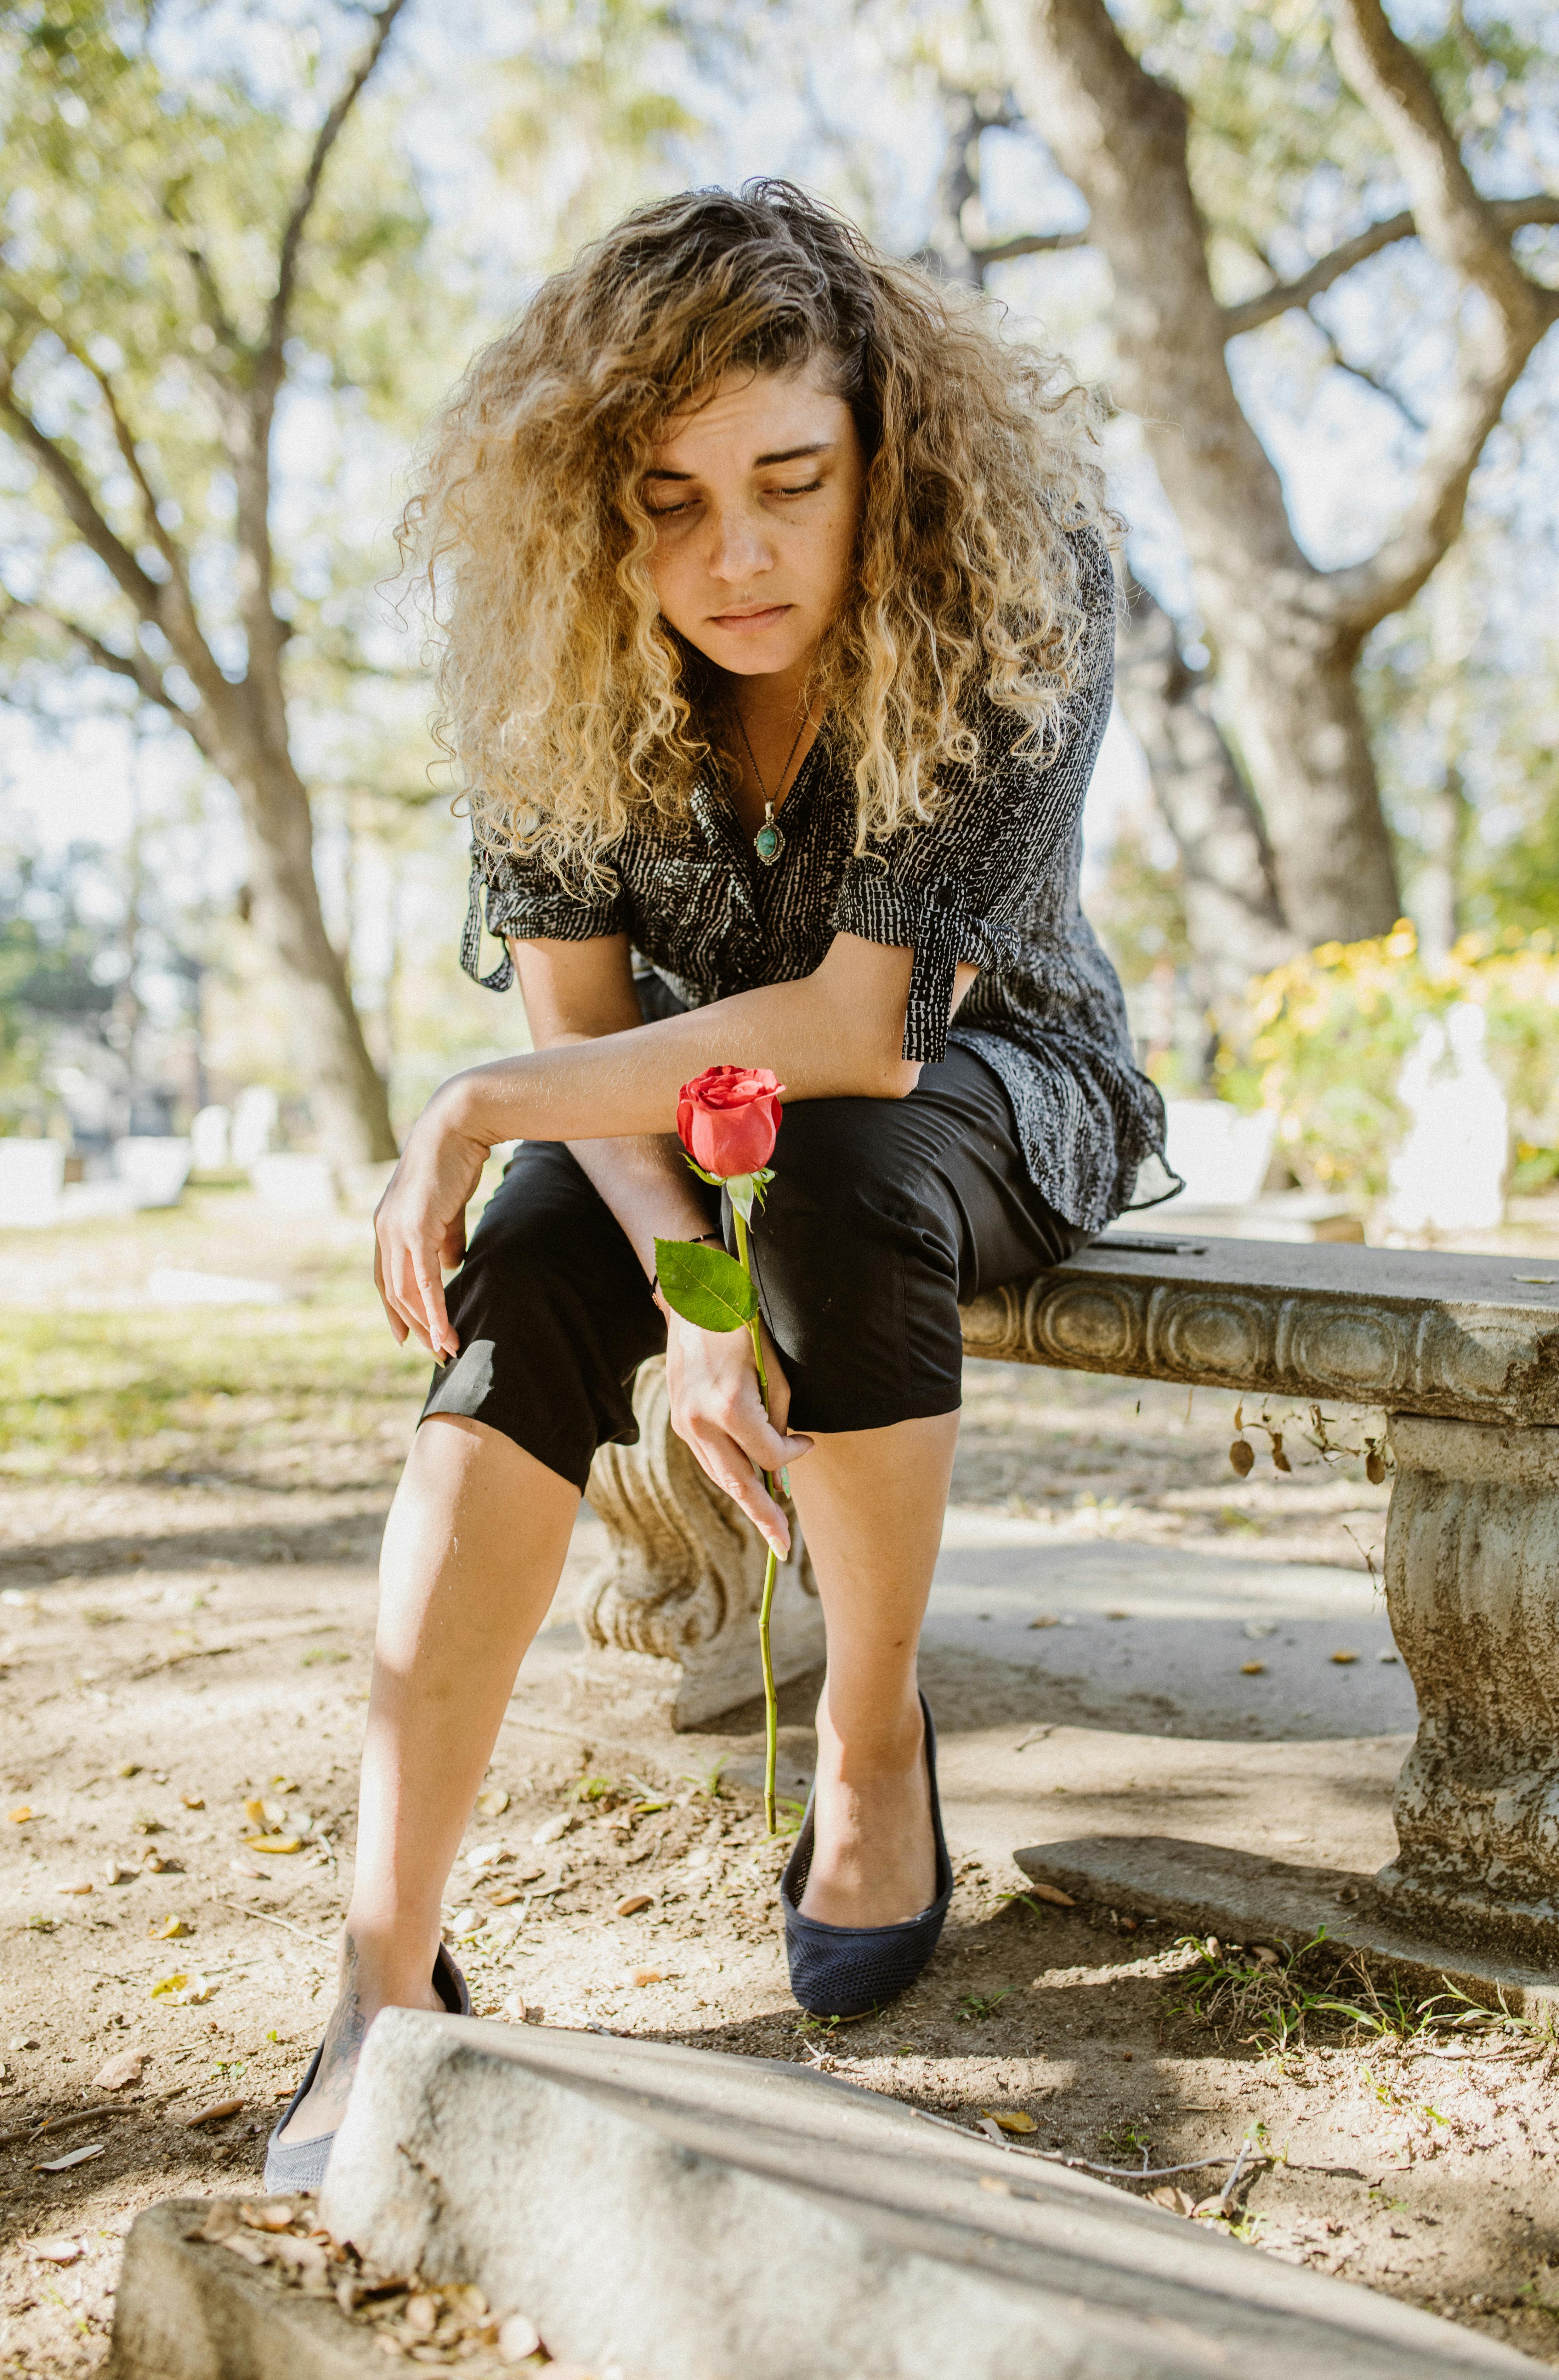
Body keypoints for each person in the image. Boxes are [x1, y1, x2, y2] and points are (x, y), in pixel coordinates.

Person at [265, 178, 1170, 2188]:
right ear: (599, 506)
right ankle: (383, 1975)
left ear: (885, 456)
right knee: (521, 1279)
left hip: (986, 1081)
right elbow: (590, 1021)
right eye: (668, 501)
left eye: (788, 479)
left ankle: (866, 1746)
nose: (734, 553)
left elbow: (857, 1034)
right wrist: (681, 1293)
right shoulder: (552, 664)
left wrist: (491, 1093)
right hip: (670, 1115)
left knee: (840, 1164)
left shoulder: (1022, 596)